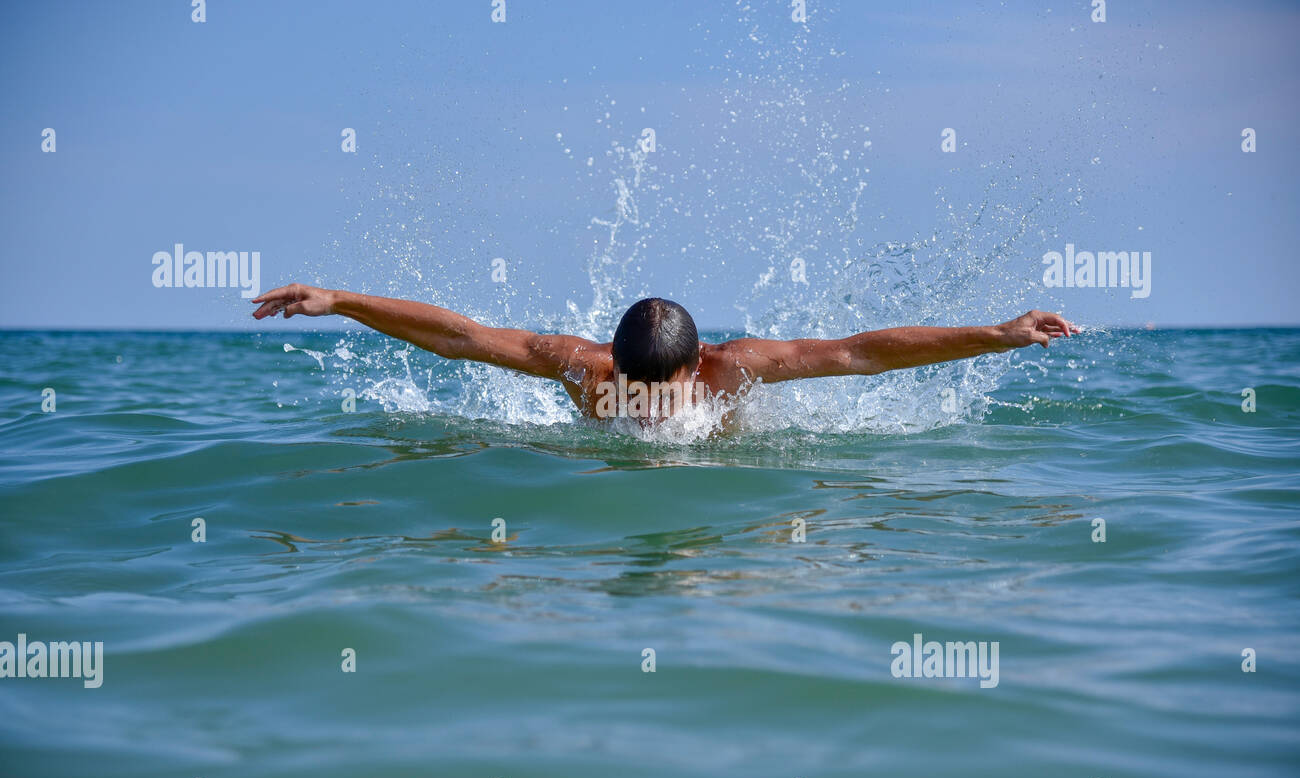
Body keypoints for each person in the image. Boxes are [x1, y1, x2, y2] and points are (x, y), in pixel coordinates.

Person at [252, 284, 1079, 421]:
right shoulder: (583, 367)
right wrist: (343, 301)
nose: (644, 412)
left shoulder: (737, 368)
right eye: (633, 392)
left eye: (661, 393)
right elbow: (462, 338)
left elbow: (861, 354)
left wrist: (997, 336)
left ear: (697, 368)